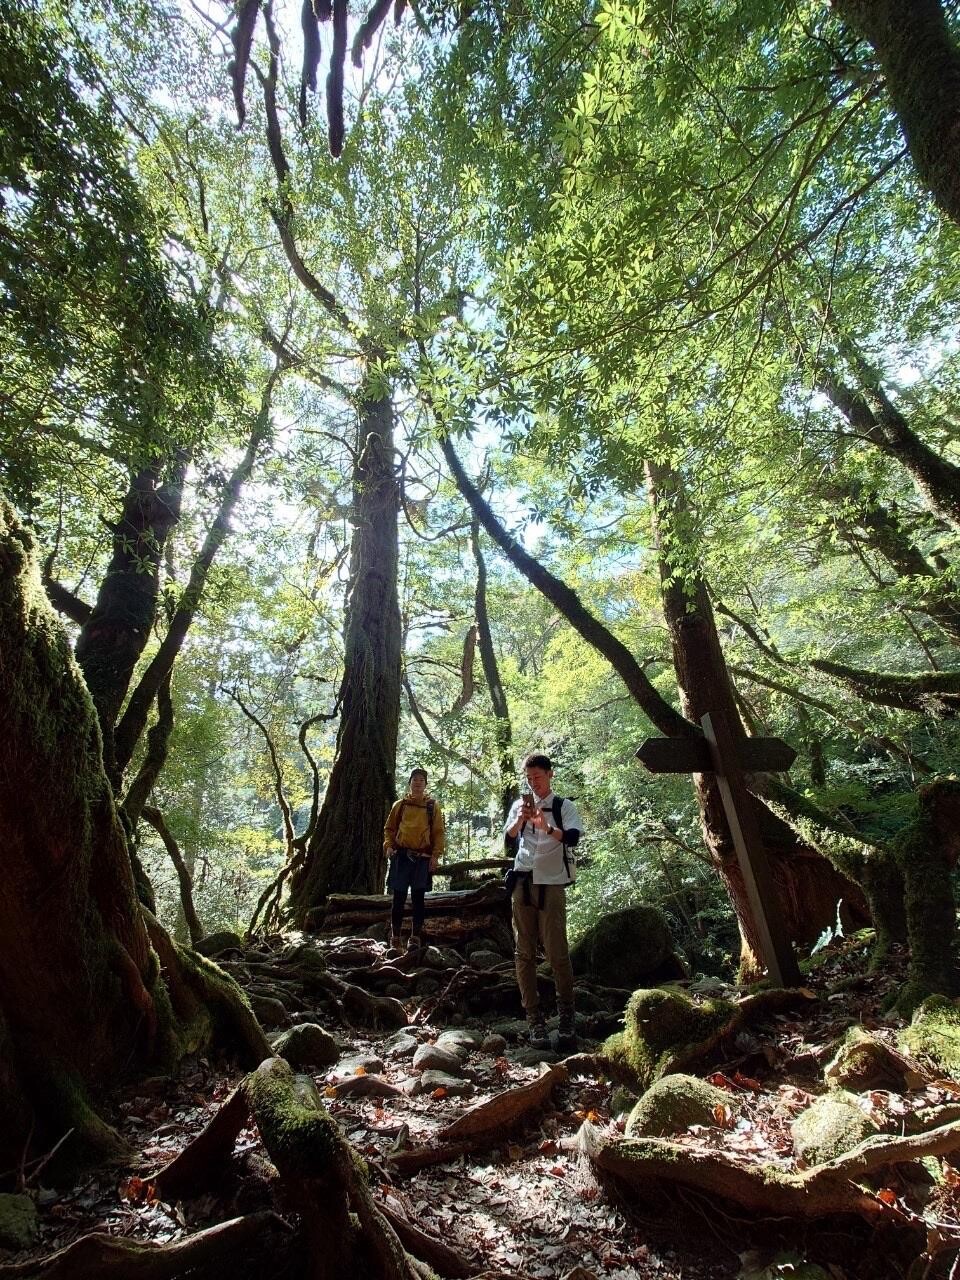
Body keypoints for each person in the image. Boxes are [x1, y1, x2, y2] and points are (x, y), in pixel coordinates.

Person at [504, 753, 583, 1049]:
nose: (533, 783)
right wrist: (522, 819)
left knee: (557, 951)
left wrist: (544, 825)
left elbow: (573, 838)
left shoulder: (564, 807)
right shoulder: (518, 806)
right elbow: (509, 838)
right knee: (523, 953)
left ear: (550, 775)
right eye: (528, 778)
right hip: (523, 881)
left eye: (537, 777)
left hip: (551, 883)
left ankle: (566, 1016)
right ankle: (534, 1019)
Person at [383, 767, 445, 955]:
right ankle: (395, 939)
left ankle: (415, 938)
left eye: (421, 780)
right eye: (415, 780)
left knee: (419, 899)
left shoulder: (432, 807)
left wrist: (435, 855)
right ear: (409, 783)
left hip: (422, 858)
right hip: (401, 856)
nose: (418, 783)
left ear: (425, 785)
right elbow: (390, 829)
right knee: (398, 898)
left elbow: (438, 833)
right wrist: (388, 846)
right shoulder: (400, 805)